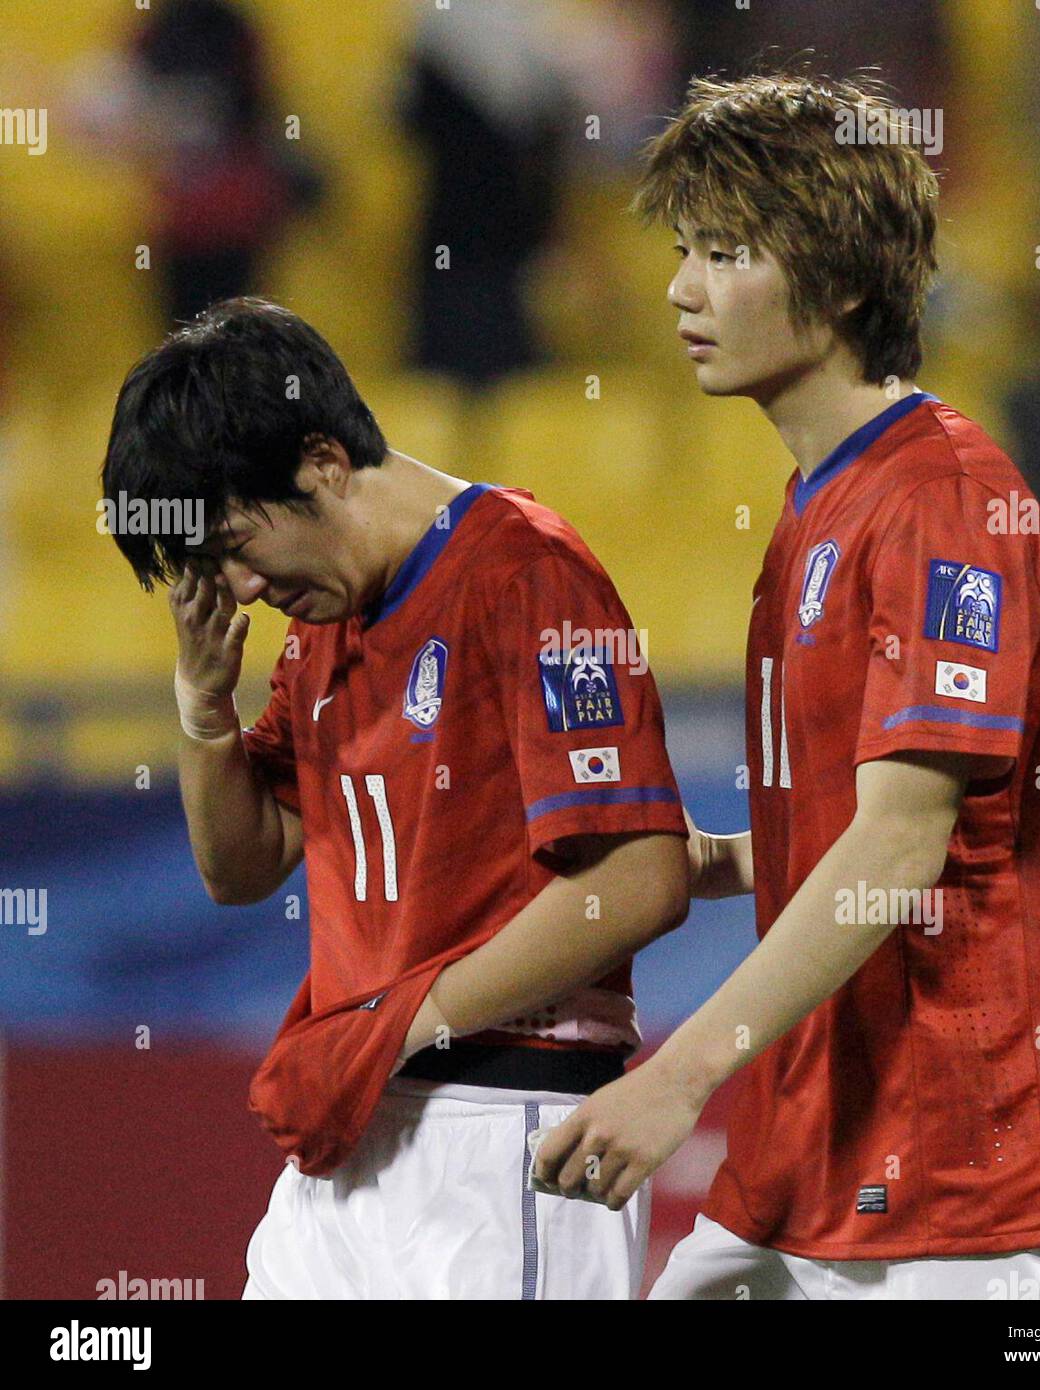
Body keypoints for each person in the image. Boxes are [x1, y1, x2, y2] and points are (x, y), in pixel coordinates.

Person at [534, 72, 1040, 1301]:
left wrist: (678, 1069)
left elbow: (906, 842)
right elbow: (871, 826)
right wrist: (704, 859)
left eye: (725, 252)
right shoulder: (825, 502)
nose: (681, 290)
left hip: (978, 1205)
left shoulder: (941, 502)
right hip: (814, 1165)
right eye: (682, 250)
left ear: (847, 279)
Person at [101, 297, 689, 1299]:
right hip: (349, 1140)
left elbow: (637, 878)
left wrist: (395, 1023)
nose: (241, 588)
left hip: (508, 1127)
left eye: (241, 542)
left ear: (325, 461)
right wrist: (205, 709)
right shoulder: (324, 617)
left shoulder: (528, 573)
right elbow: (241, 869)